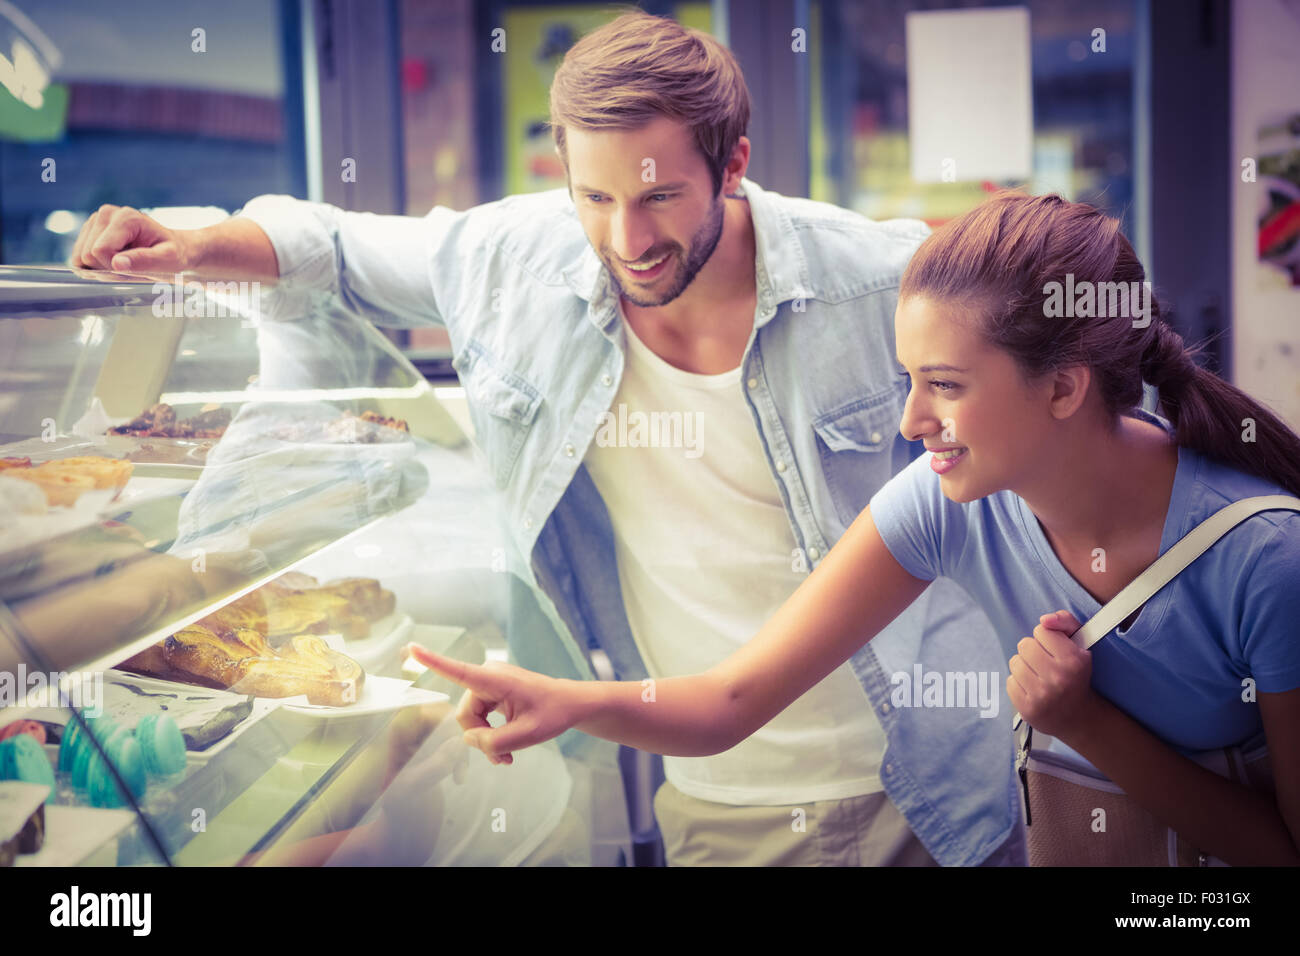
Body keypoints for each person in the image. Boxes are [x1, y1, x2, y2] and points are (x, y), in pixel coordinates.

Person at [67, 11, 1024, 866]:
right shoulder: (514, 261)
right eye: (593, 197)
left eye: (658, 197)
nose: (625, 238)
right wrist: (192, 247)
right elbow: (336, 250)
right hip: (708, 786)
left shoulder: (881, 281)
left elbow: (1070, 413)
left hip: (928, 788)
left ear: (733, 164)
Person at [414, 190, 1300, 866]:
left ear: (1066, 388)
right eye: (909, 378)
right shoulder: (947, 503)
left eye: (945, 385)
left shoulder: (1266, 558)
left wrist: (1085, 722)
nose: (911, 421)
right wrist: (568, 701)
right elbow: (733, 700)